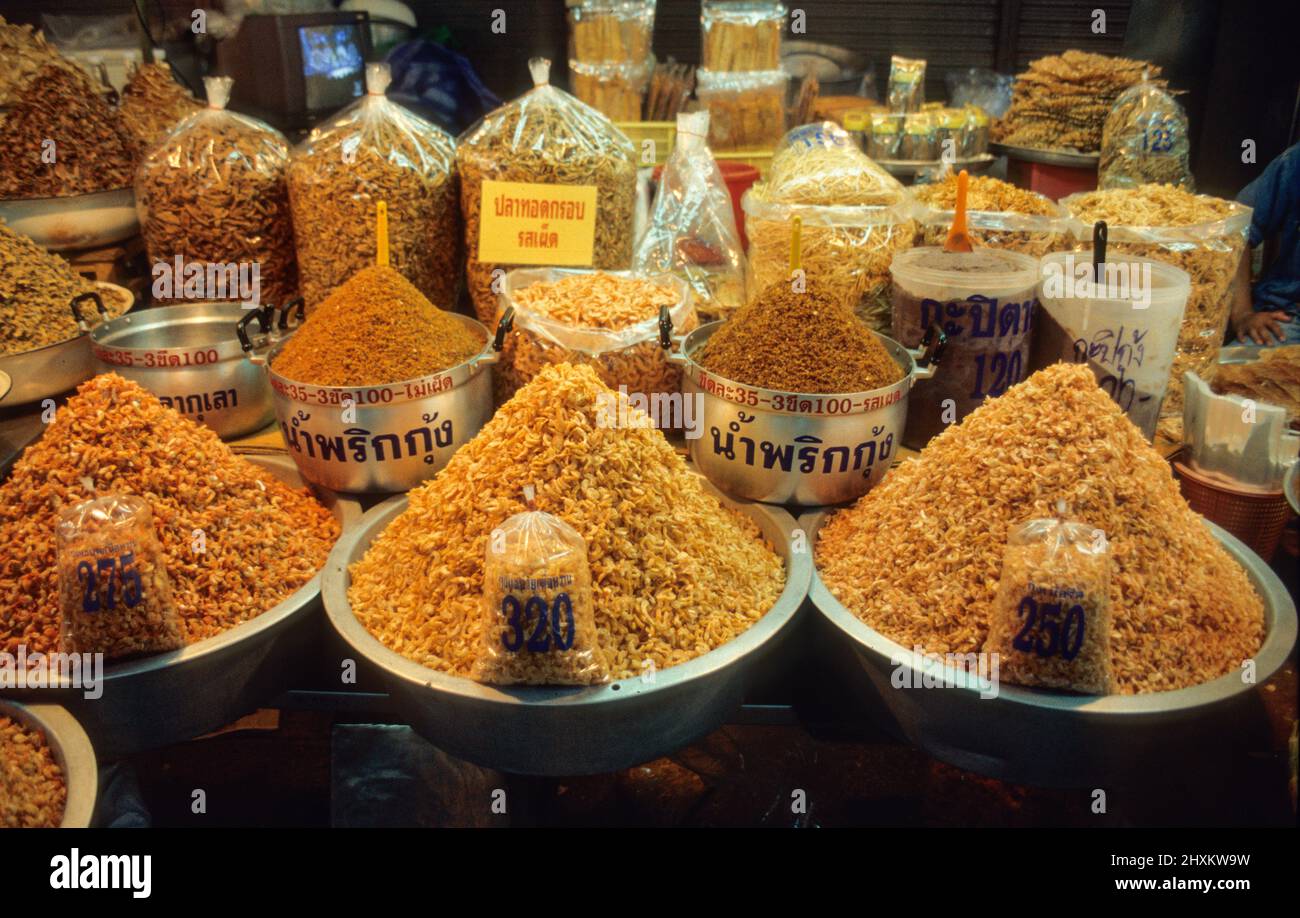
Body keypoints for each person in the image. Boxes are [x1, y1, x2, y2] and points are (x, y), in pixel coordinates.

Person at [1229, 141, 1300, 345]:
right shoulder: (1295, 163)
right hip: (1287, 317)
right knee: (1226, 375)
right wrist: (1242, 312)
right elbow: (1235, 227)